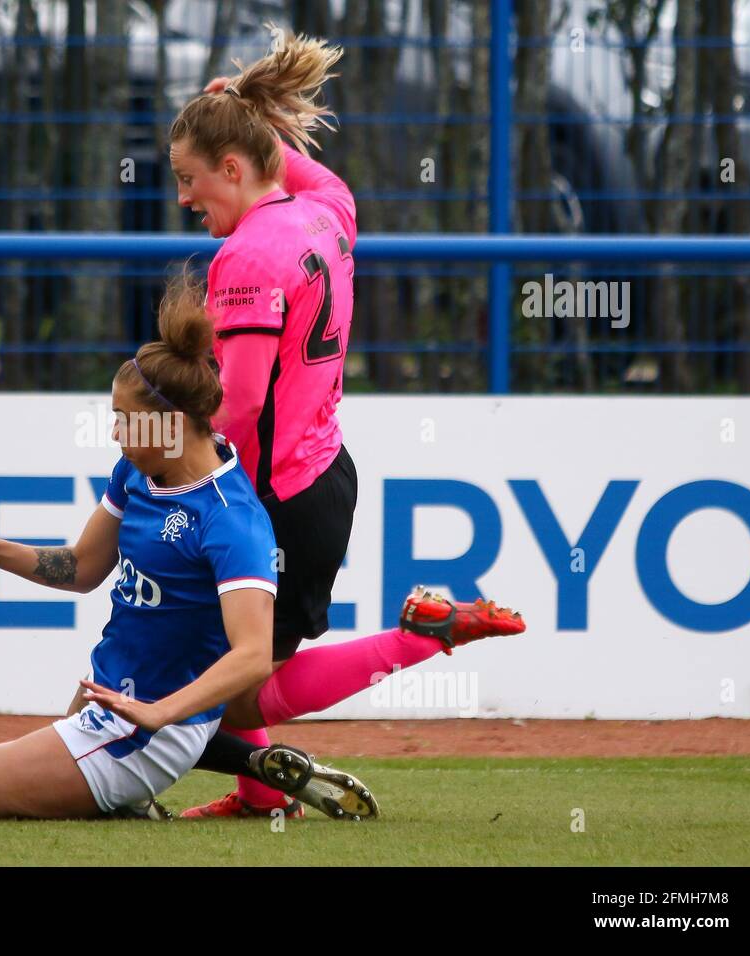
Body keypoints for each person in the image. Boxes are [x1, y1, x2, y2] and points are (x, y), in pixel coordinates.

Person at [156, 25, 525, 819]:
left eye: (191, 179)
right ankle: (262, 796)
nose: (184, 198)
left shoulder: (244, 257)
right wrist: (242, 112)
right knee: (229, 663)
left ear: (231, 168)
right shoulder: (330, 209)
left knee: (228, 695)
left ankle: (420, 636)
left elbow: (241, 403)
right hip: (322, 473)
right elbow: (291, 168)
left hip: (274, 497)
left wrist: (174, 466)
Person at [0, 280, 281, 821]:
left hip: (147, 732)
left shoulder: (230, 518)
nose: (115, 433)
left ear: (172, 424)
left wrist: (159, 712)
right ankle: (163, 792)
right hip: (103, 697)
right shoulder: (137, 472)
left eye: (124, 419)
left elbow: (252, 655)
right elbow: (81, 568)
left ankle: (136, 794)